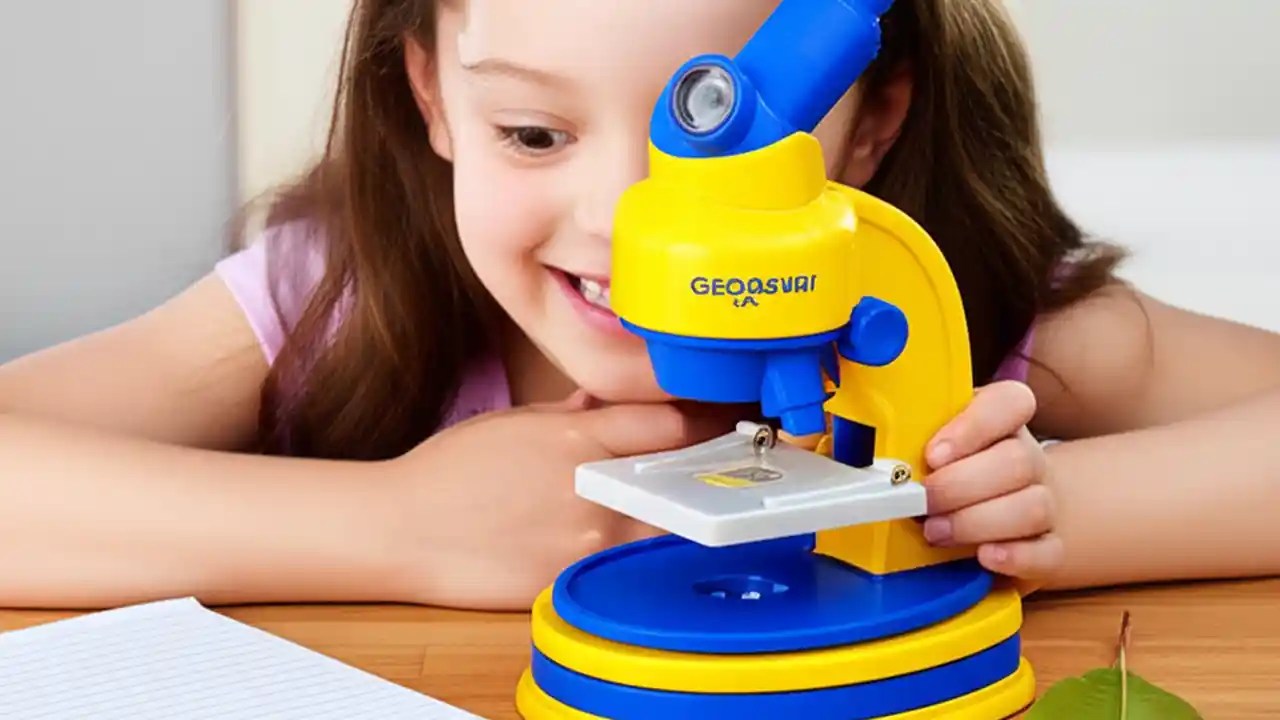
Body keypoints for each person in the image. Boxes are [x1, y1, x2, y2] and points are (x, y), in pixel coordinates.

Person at [2, 0, 1278, 612]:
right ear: (434, 101)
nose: (622, 213)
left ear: (870, 125)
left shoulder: (972, 310)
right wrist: (394, 528)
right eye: (536, 131)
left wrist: (1046, 514)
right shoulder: (333, 298)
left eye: (711, 151)